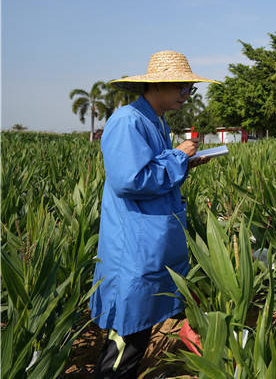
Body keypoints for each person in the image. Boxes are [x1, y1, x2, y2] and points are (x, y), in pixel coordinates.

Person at [90, 50, 218, 379]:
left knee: (139, 328)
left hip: (150, 241)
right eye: (181, 88)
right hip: (134, 246)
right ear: (157, 86)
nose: (186, 95)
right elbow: (130, 180)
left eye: (190, 88)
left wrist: (184, 162)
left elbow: (152, 175)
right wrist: (177, 156)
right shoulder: (128, 121)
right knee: (127, 334)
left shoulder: (155, 120)